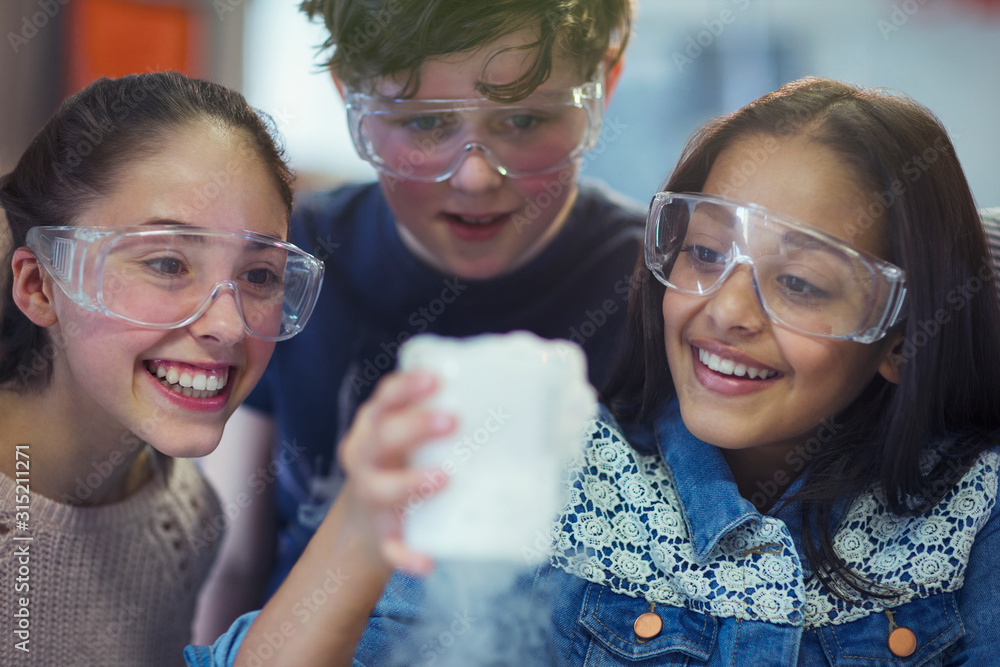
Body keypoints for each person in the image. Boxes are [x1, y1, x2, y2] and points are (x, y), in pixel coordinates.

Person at [186, 76, 1000, 666]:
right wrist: (365, 518)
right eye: (706, 252)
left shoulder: (975, 518)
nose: (725, 311)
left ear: (900, 335)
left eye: (800, 283)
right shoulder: (553, 475)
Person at [193, 0, 642, 641]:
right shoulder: (287, 263)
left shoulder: (658, 292)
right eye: (425, 123)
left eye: (523, 119)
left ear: (606, 86)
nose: (476, 175)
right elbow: (230, 561)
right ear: (351, 101)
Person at [0, 71, 324, 666]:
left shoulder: (183, 516)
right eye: (168, 263)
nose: (227, 325)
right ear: (40, 285)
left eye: (259, 276)